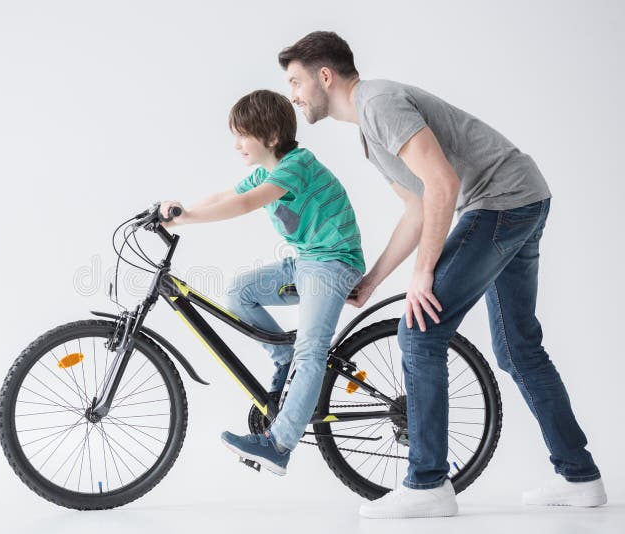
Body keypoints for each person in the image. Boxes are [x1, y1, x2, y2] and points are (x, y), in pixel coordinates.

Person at [277, 30, 605, 518]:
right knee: (517, 348)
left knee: (419, 333)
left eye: (296, 82)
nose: (294, 95)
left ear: (325, 76)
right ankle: (580, 478)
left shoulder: (379, 103)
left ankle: (428, 482)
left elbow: (443, 184)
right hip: (521, 199)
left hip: (501, 203)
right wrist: (374, 280)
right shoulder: (369, 132)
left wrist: (423, 272)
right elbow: (417, 209)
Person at [160, 89, 365, 475]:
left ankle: (279, 444)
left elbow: (243, 204)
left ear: (270, 136)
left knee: (312, 350)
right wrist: (182, 209)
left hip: (333, 264)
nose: (236, 143)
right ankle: (282, 357)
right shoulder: (265, 171)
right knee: (240, 293)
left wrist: (185, 222)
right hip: (305, 264)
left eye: (243, 135)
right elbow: (227, 193)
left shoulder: (296, 165)